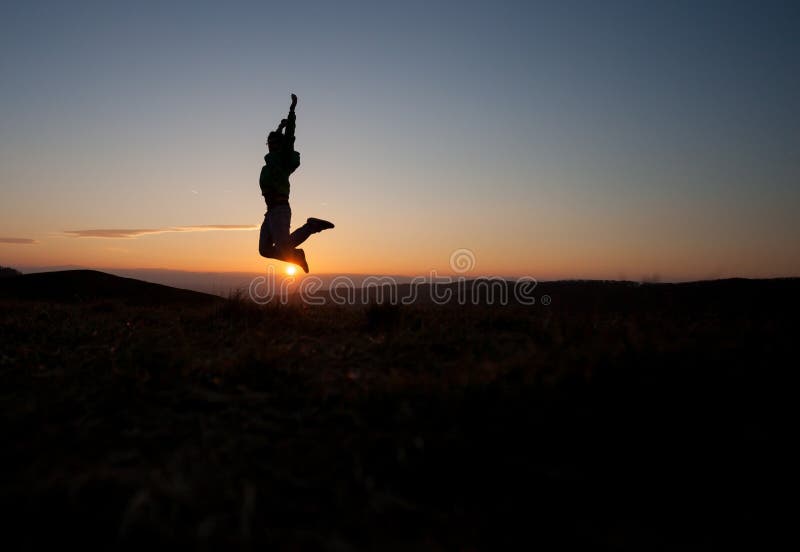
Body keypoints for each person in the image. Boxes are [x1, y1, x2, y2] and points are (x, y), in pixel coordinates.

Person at [258, 94, 334, 273]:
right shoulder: (270, 162)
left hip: (280, 209)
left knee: (283, 247)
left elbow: (289, 135)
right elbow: (279, 136)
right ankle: (297, 255)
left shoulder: (282, 160)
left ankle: (311, 227)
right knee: (264, 250)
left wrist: (292, 110)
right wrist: (279, 126)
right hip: (270, 213)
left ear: (279, 145)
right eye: (269, 142)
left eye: (273, 143)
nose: (270, 145)